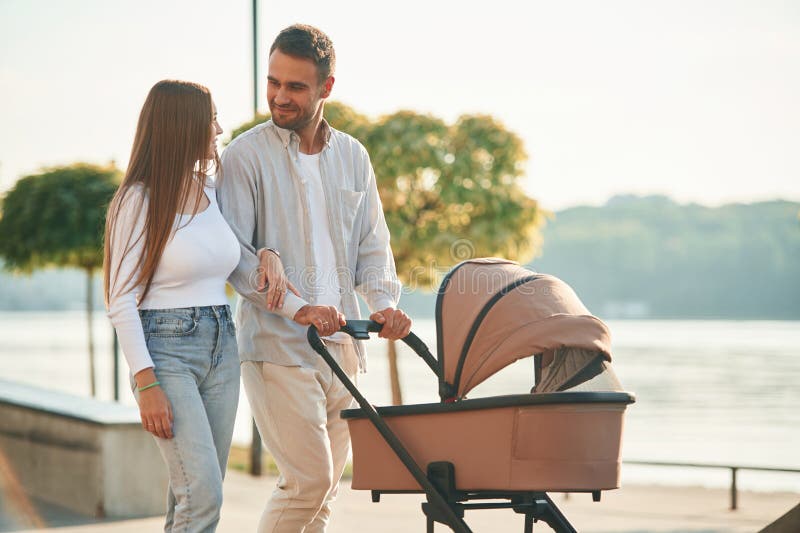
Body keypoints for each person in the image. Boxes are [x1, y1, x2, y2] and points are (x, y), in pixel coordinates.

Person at [217, 24, 412, 533]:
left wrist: (383, 303)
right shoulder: (243, 156)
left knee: (322, 496)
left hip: (346, 344)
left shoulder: (354, 156)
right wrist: (297, 308)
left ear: (326, 88)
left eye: (295, 86)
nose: (279, 96)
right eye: (273, 82)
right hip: (278, 345)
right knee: (308, 481)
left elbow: (373, 246)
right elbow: (234, 258)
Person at [104, 79, 292, 532]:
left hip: (222, 346)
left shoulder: (209, 190)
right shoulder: (139, 200)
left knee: (190, 496)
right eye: (210, 121)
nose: (220, 129)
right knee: (202, 494)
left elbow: (234, 260)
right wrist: (145, 383)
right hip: (166, 351)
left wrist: (268, 254)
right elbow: (120, 301)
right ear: (183, 127)